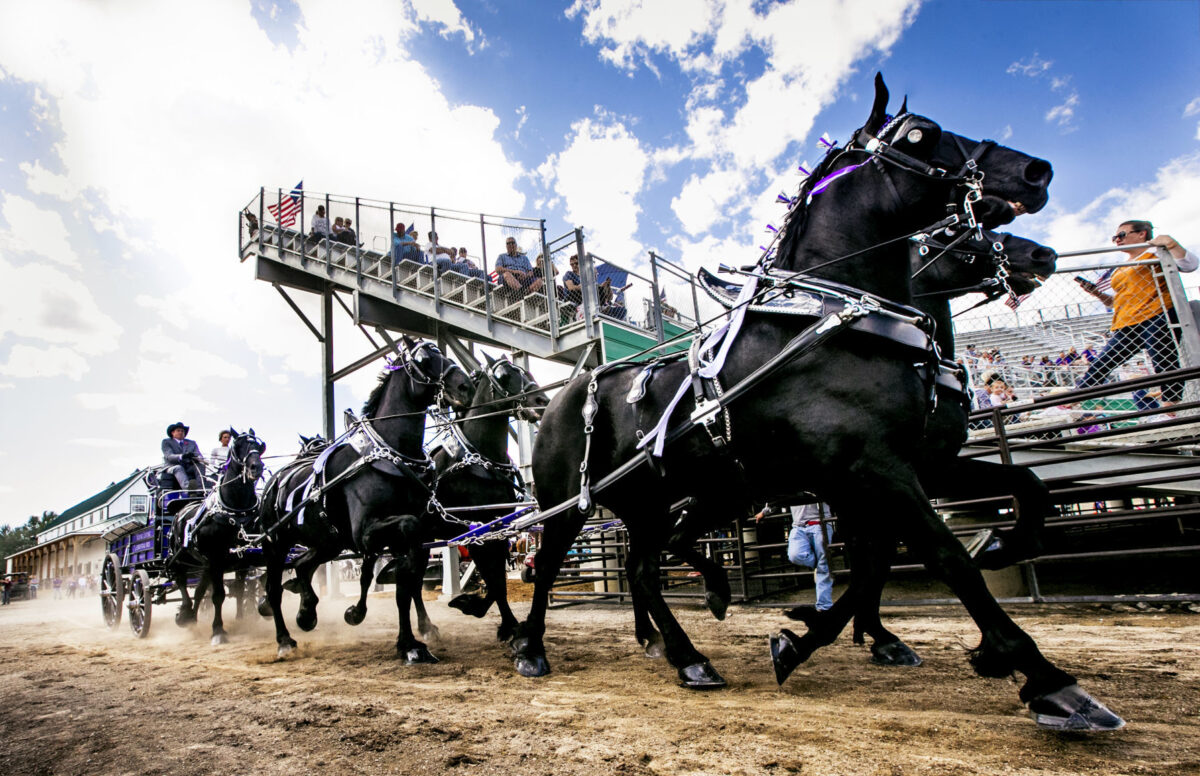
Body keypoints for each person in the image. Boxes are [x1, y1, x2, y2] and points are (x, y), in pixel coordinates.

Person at [1076, 220, 1198, 407]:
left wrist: (1171, 243)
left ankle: (1170, 404)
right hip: (1126, 321)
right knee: (1102, 362)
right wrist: (1096, 293)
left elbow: (1189, 265)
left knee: (1163, 358)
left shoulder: (1156, 251)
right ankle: (1075, 398)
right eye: (1114, 237)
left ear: (1141, 234)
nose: (1117, 240)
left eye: (1122, 235)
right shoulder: (1121, 267)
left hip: (1156, 313)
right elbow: (1116, 302)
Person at [162, 421, 205, 491]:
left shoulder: (191, 443)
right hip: (172, 467)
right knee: (178, 468)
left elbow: (199, 455)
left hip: (188, 467)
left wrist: (197, 458)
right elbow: (169, 456)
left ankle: (200, 489)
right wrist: (182, 456)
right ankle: (188, 489)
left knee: (200, 466)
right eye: (178, 430)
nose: (181, 432)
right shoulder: (166, 442)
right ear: (173, 433)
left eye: (182, 431)